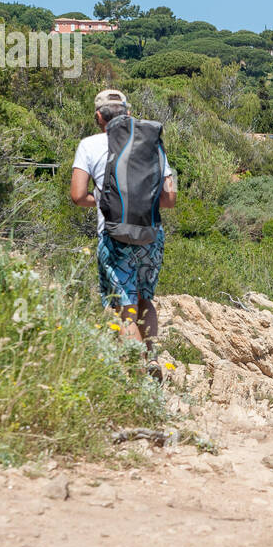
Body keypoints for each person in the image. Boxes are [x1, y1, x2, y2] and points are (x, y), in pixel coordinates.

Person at [70, 90, 177, 362]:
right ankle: (151, 360)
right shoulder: (151, 143)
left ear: (98, 116)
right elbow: (169, 198)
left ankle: (138, 376)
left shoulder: (89, 145)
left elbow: (78, 196)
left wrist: (105, 201)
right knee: (144, 300)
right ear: (128, 113)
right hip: (151, 234)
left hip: (115, 235)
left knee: (124, 309)